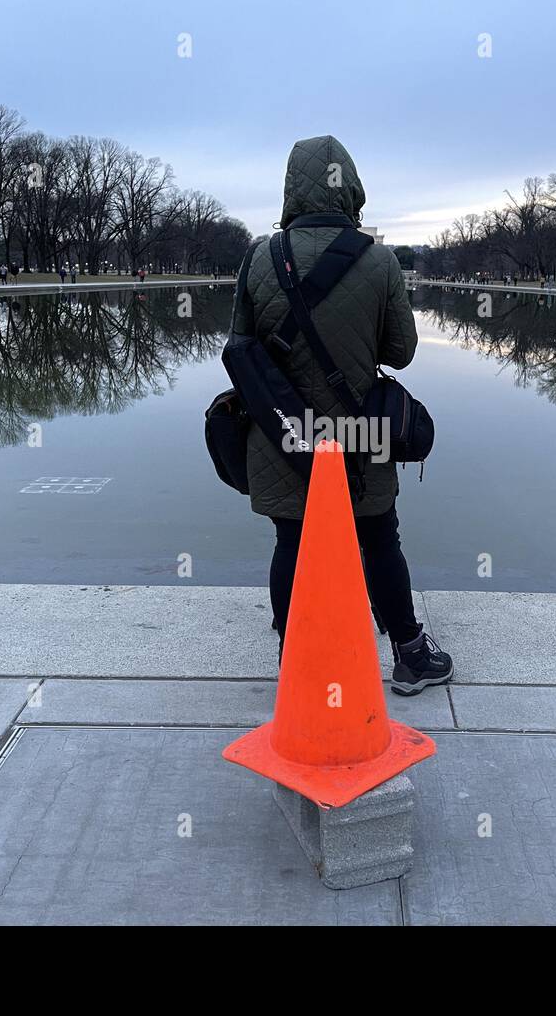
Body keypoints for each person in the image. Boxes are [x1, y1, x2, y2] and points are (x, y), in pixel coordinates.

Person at [229, 134, 453, 696]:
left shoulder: (259, 256)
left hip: (284, 434)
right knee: (379, 540)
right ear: (349, 186)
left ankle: (294, 657)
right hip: (361, 435)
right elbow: (400, 352)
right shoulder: (377, 259)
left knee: (291, 542)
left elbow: (240, 345)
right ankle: (408, 653)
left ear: (290, 188)